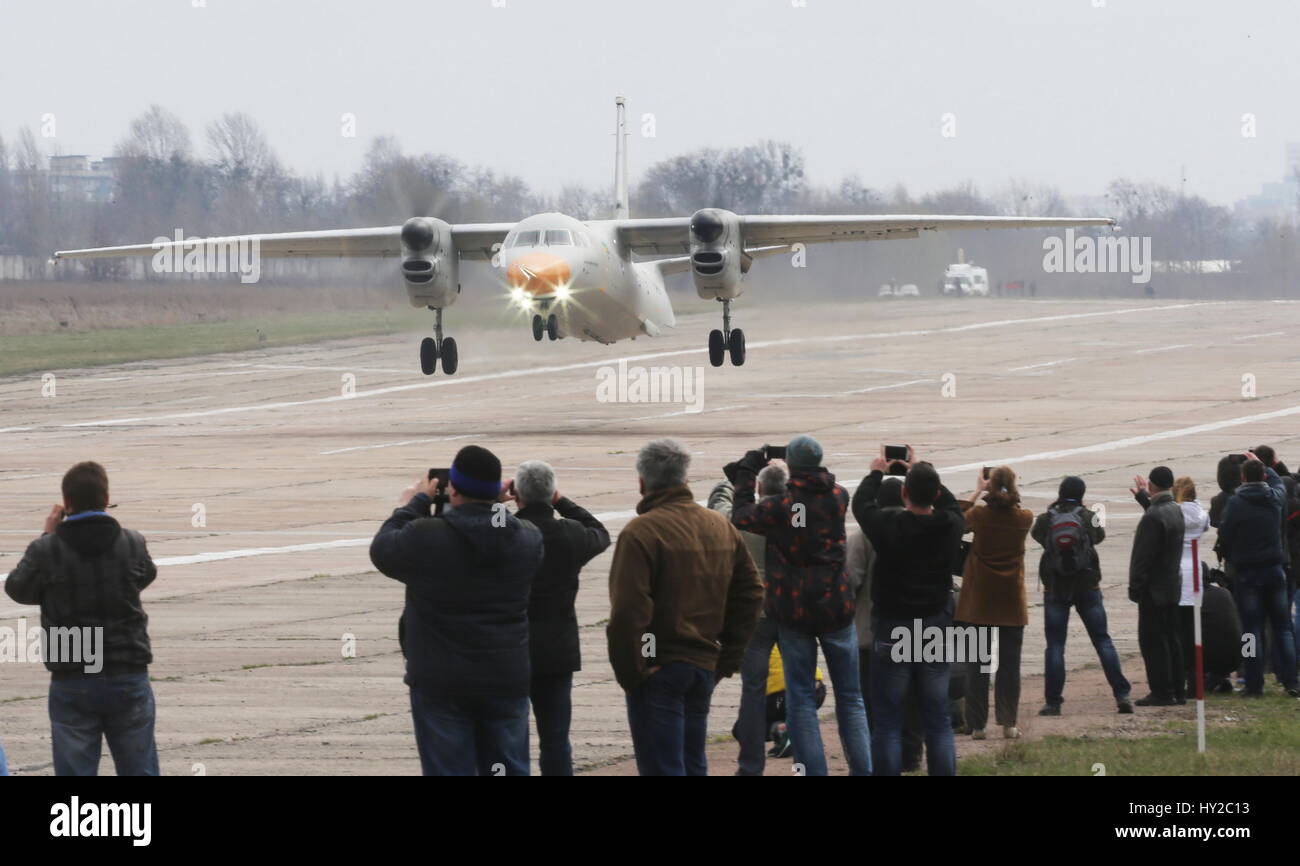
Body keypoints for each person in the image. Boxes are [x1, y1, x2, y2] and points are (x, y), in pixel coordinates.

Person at [369, 445, 543, 776]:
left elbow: (383, 549)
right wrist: (495, 508)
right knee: (507, 766)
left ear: (453, 488)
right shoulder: (527, 538)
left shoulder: (426, 535)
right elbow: (499, 531)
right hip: (505, 674)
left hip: (441, 677)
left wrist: (413, 504)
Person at [607, 438, 763, 776]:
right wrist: (726, 658)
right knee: (693, 763)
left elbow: (626, 614)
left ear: (642, 483)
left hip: (659, 669)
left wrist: (633, 675)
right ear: (685, 479)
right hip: (702, 665)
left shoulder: (641, 532)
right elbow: (751, 594)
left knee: (663, 766)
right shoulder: (719, 526)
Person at [4, 462, 160, 776]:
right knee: (139, 766)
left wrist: (46, 535)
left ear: (67, 503)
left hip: (72, 671)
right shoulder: (132, 542)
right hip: (127, 668)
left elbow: (18, 589)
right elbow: (145, 576)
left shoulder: (47, 549)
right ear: (106, 498)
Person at [731, 435, 871, 776]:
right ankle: (864, 770)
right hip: (836, 605)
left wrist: (749, 470)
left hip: (794, 610)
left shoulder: (782, 506)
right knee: (851, 698)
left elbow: (741, 515)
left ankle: (813, 770)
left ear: (791, 465)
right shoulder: (839, 496)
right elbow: (811, 500)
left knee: (802, 702)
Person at [853, 451, 965, 776]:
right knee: (937, 718)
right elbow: (952, 506)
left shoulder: (890, 525)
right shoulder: (950, 525)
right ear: (936, 494)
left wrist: (875, 474)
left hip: (893, 627)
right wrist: (923, 470)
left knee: (888, 719)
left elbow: (862, 506)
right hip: (932, 626)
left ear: (903, 494)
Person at [509, 460, 610, 776]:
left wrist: (494, 503)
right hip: (557, 650)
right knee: (555, 739)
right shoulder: (570, 534)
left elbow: (475, 530)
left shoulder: (507, 534)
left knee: (510, 738)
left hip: (509, 648)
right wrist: (561, 501)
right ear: (550, 492)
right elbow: (601, 533)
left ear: (516, 494)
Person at [710, 460, 787, 776]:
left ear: (757, 488)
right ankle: (808, 763)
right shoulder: (796, 518)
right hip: (789, 609)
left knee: (752, 691)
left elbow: (719, 507)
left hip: (754, 613)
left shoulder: (744, 519)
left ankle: (750, 767)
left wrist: (733, 480)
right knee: (800, 688)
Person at [1032, 476, 1132, 715]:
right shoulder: (1088, 517)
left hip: (1055, 586)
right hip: (1087, 584)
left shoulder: (1046, 518)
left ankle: (1053, 702)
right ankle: (1121, 694)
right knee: (1102, 640)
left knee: (1055, 645)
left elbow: (1038, 536)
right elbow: (1100, 537)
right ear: (1082, 495)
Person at [955, 467, 1033, 740]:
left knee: (977, 664)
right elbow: (1013, 506)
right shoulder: (1024, 518)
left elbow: (955, 522)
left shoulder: (979, 515)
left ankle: (977, 725)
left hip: (980, 599)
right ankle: (1009, 722)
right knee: (1010, 665)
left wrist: (977, 492)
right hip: (1011, 599)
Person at [1218, 455, 1300, 696]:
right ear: (1263, 475)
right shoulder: (1274, 498)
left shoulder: (1235, 503)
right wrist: (1263, 465)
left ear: (1242, 477)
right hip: (1275, 569)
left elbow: (1225, 533)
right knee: (1282, 627)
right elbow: (1277, 482)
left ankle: (1253, 683)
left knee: (1250, 630)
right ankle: (1291, 681)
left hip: (1247, 571)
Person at [1128, 466, 1187, 706]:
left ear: (1152, 486)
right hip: (1172, 587)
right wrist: (1144, 498)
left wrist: (1135, 586)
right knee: (1172, 640)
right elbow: (1160, 520)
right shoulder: (1176, 510)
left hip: (1153, 590)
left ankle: (1161, 691)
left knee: (1152, 642)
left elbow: (1143, 556)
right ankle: (1177, 689)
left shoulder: (1153, 516)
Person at [1171, 477, 1211, 696]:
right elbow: (1205, 522)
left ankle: (1178, 681)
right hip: (1195, 575)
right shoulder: (1201, 515)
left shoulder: (1174, 514)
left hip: (1177, 575)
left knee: (1177, 635)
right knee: (1194, 635)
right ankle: (1197, 682)